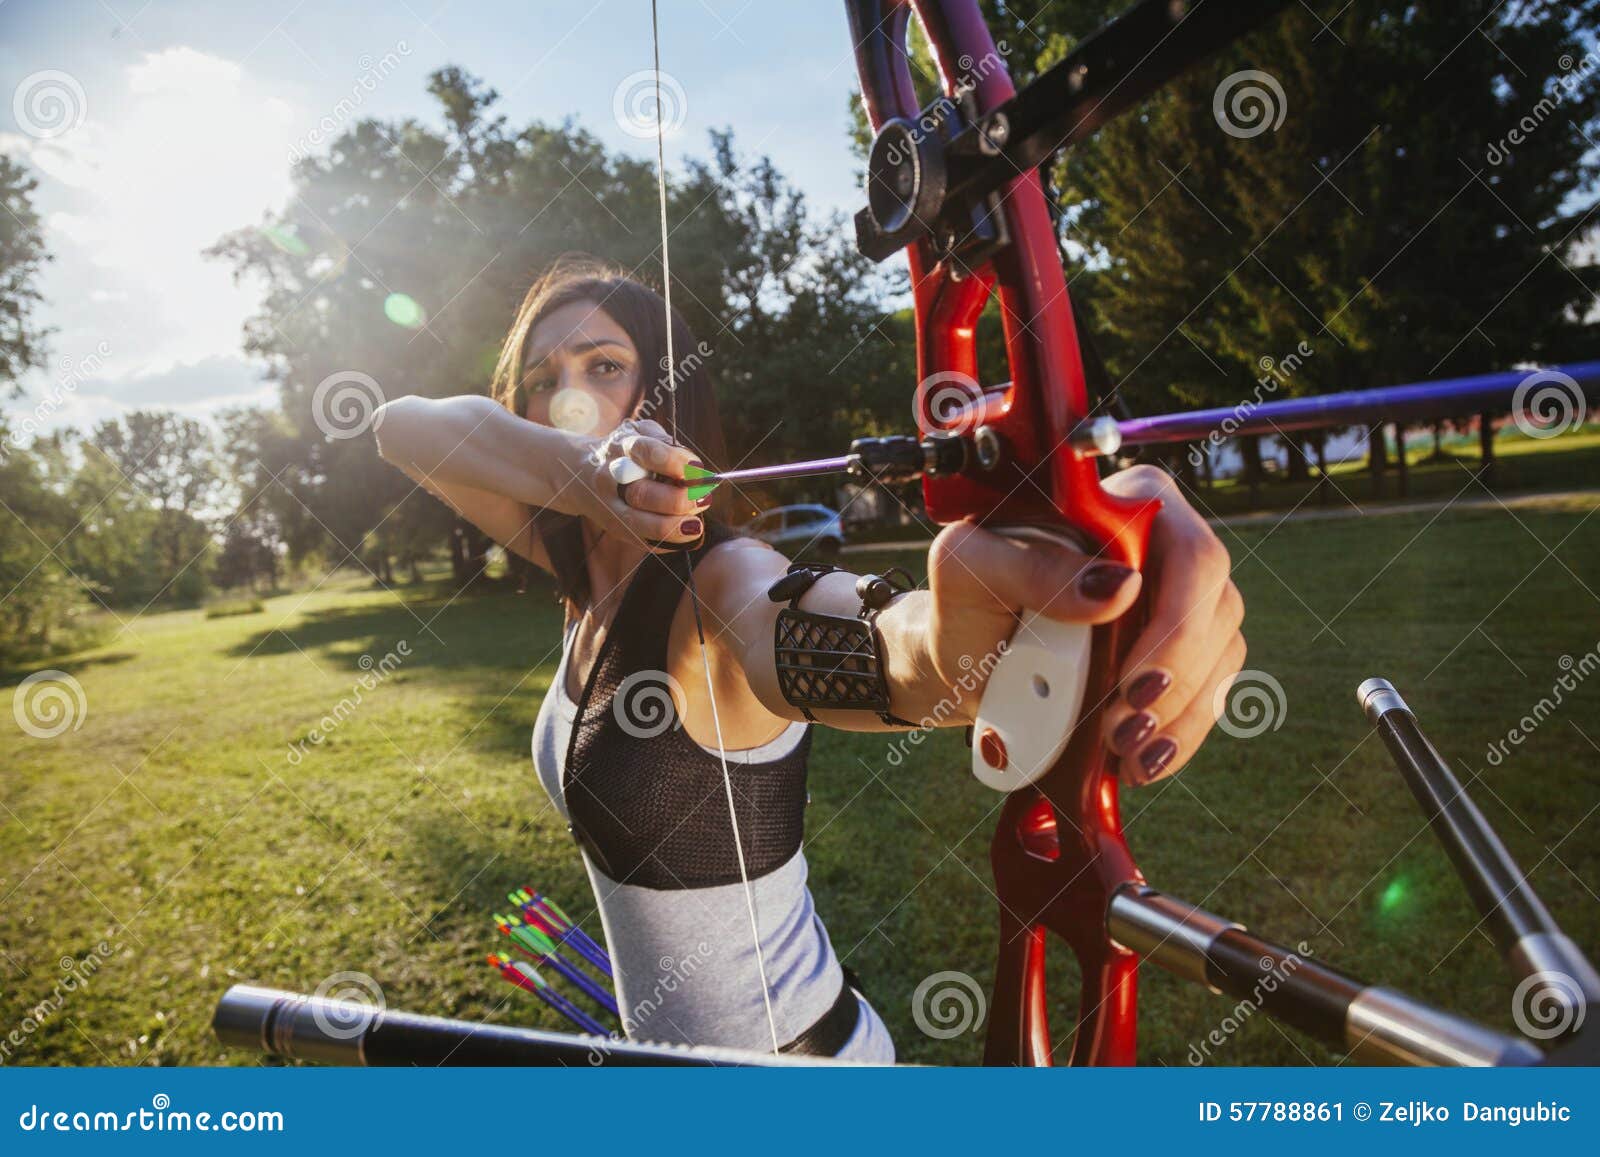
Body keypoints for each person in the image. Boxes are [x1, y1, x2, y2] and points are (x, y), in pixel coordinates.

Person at [373, 257, 1246, 1062]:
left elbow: (893, 651)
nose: (567, 398)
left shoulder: (718, 582)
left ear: (667, 391)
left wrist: (975, 630)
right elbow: (400, 427)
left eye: (604, 366)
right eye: (541, 380)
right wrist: (584, 468)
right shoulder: (579, 571)